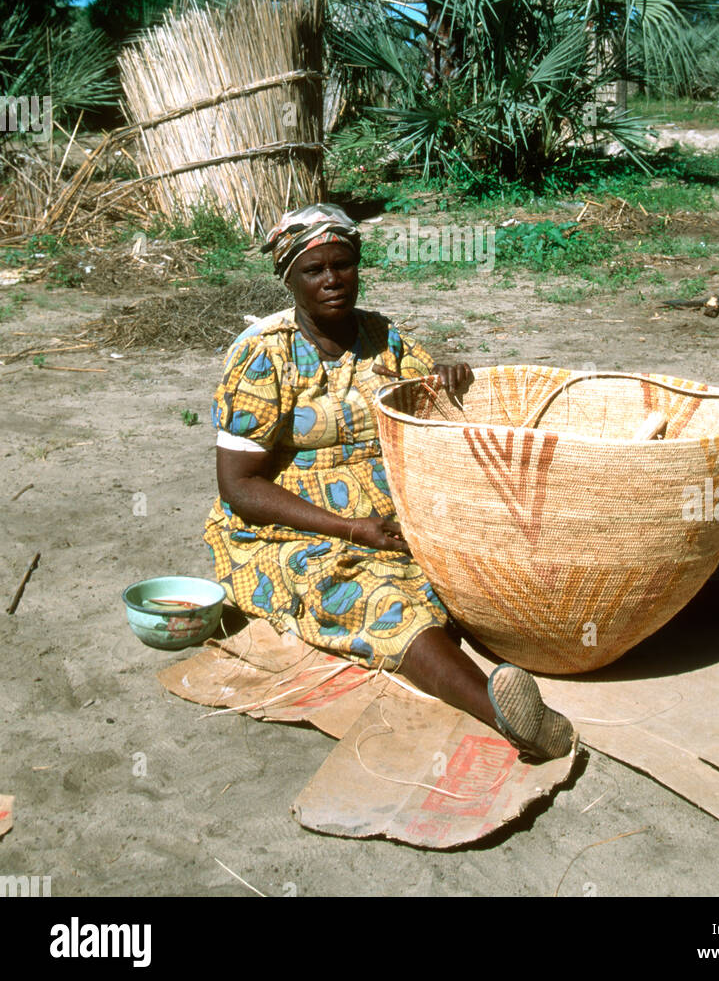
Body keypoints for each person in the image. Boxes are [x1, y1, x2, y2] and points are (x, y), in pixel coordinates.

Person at [202, 203, 574, 763]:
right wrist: (348, 528)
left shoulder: (381, 336)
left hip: (395, 510)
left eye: (342, 265)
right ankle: (501, 711)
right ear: (289, 279)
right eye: (313, 270)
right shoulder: (265, 356)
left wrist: (447, 377)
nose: (332, 280)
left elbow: (422, 397)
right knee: (378, 597)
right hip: (293, 528)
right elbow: (240, 486)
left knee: (474, 565)